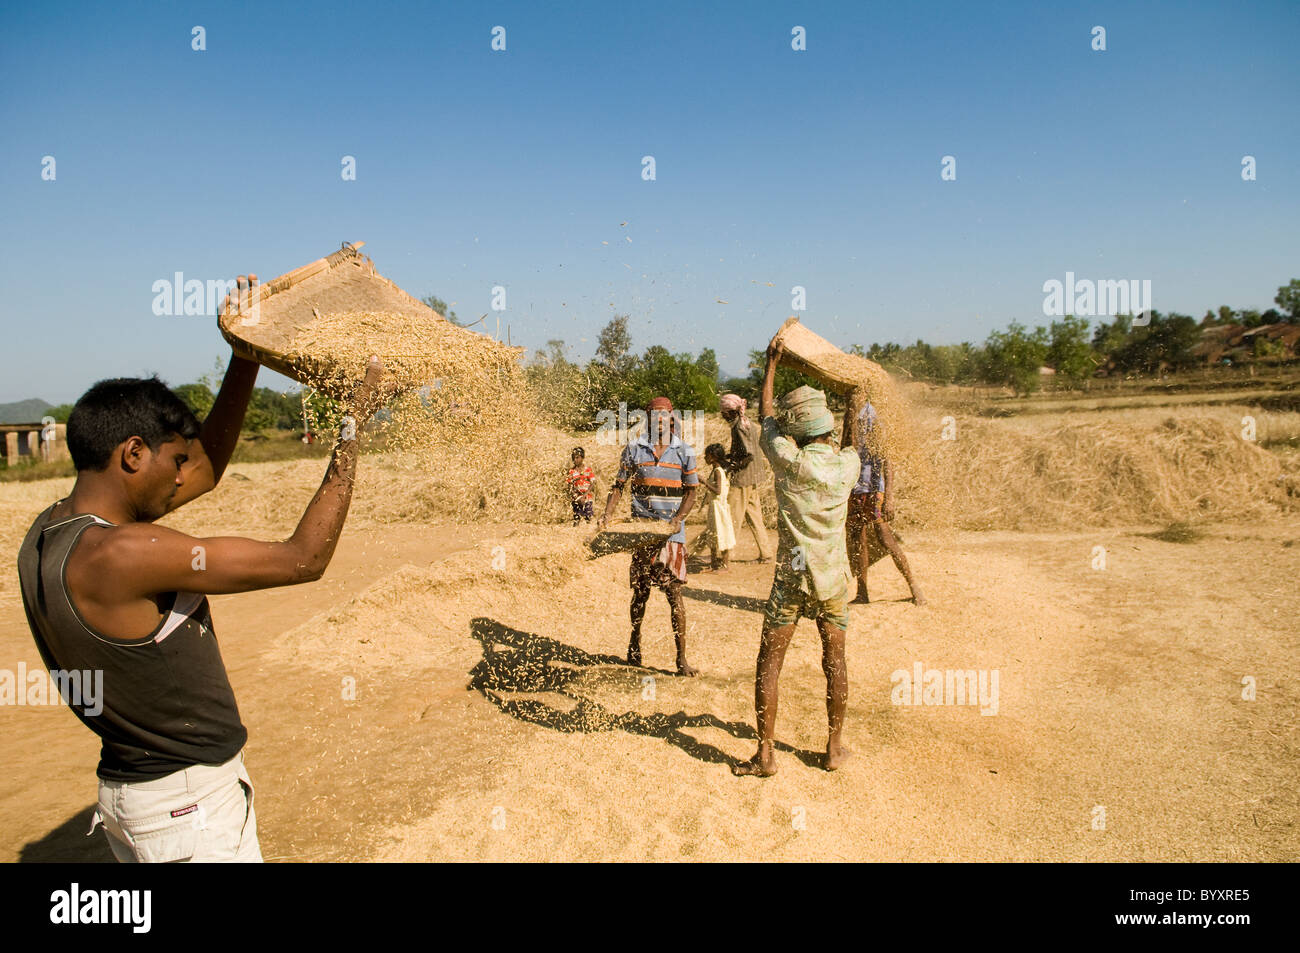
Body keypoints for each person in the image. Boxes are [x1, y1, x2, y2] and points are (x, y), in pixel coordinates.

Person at [17, 350, 387, 862]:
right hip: (188, 808)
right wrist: (352, 425)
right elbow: (305, 558)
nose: (180, 479)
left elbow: (207, 469)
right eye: (174, 463)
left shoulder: (46, 533)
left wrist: (245, 357)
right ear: (132, 454)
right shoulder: (123, 554)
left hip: (131, 790)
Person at [733, 341, 860, 777]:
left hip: (792, 579)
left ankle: (765, 755)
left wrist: (770, 363)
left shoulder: (788, 460)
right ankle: (833, 748)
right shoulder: (848, 466)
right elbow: (850, 444)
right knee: (835, 663)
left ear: (796, 431)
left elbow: (767, 418)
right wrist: (854, 408)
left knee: (770, 664)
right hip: (833, 582)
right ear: (827, 426)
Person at [596, 397, 699, 676]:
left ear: (671, 418)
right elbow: (618, 486)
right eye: (654, 416)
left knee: (674, 595)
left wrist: (677, 519)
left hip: (671, 537)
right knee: (640, 593)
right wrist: (607, 514)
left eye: (665, 415)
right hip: (640, 535)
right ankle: (634, 643)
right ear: (648, 420)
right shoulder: (634, 448)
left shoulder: (684, 451)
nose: (660, 420)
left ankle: (681, 659)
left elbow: (691, 492)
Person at [844, 401, 926, 605]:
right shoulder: (854, 418)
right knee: (858, 543)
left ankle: (914, 587)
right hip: (856, 491)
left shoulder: (873, 417)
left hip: (874, 491)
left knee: (886, 538)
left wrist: (888, 498)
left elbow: (887, 464)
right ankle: (862, 593)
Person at [720, 394, 774, 563]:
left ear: (730, 412)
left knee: (732, 517)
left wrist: (731, 466)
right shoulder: (746, 422)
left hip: (743, 479)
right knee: (755, 517)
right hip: (753, 477)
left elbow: (748, 454)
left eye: (723, 412)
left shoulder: (739, 427)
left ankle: (726, 555)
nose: (722, 416)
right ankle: (766, 553)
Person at [687, 443, 736, 572]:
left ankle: (723, 565)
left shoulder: (718, 472)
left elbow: (718, 490)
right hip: (716, 507)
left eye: (707, 456)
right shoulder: (717, 470)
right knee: (714, 534)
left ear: (713, 457)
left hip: (718, 507)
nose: (704, 458)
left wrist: (704, 482)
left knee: (721, 533)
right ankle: (714, 564)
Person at [566, 446, 596, 526]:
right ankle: (575, 534)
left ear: (582, 458)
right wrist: (574, 495)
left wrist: (584, 495)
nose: (575, 460)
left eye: (577, 458)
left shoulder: (588, 470)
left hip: (587, 498)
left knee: (588, 517)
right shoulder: (571, 471)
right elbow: (569, 484)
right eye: (573, 458)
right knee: (576, 518)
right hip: (576, 497)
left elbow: (592, 483)